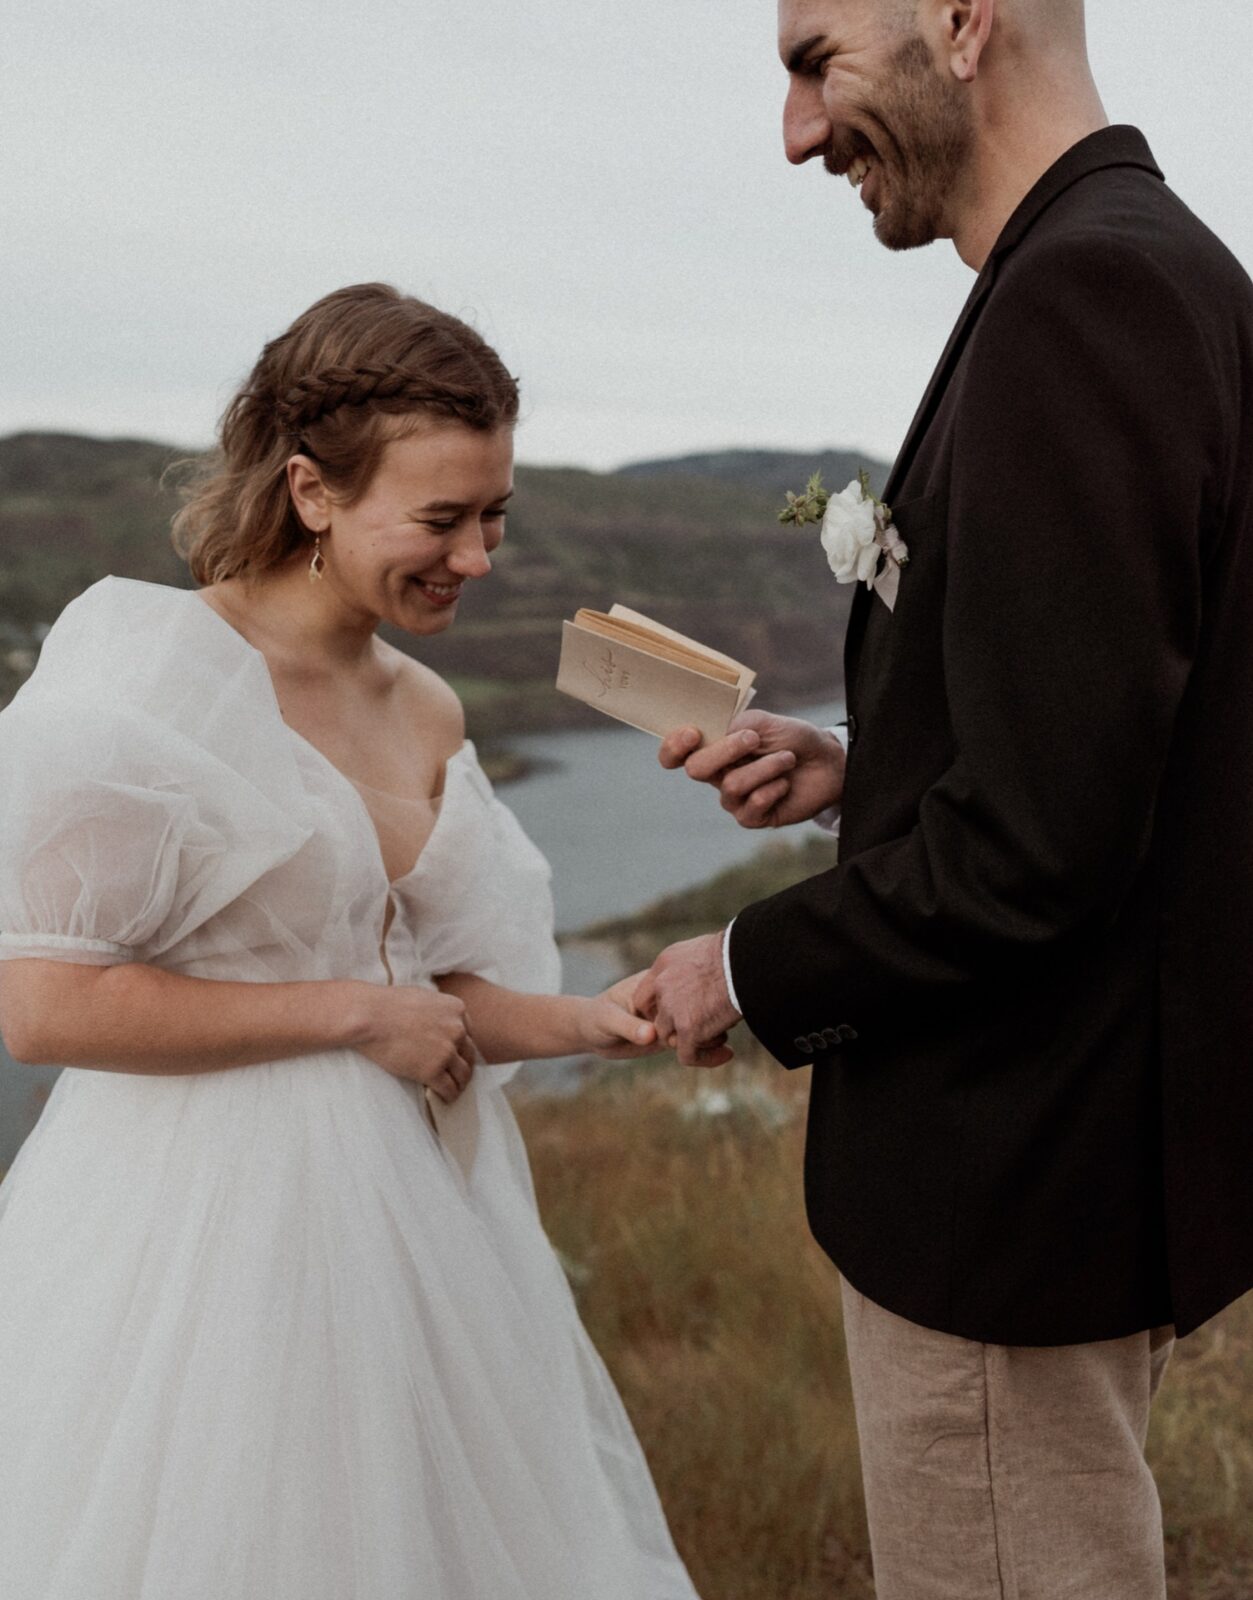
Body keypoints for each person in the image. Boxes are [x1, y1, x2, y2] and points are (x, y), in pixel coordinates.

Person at [638, 0, 1253, 1595]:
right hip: (1074, 1160)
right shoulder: (1143, 264)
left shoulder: (1089, 293)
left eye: (812, 59)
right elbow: (1133, 756)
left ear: (961, 21)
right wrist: (873, 778)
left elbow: (1038, 854)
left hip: (1008, 1188)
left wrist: (738, 968)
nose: (790, 133)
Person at [0, 283, 706, 1600]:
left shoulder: (426, 706)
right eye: (441, 519)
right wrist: (346, 1016)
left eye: (495, 515)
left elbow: (430, 996)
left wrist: (597, 1022)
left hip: (417, 1232)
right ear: (313, 491)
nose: (479, 557)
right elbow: (43, 1008)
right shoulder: (146, 677)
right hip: (198, 1244)